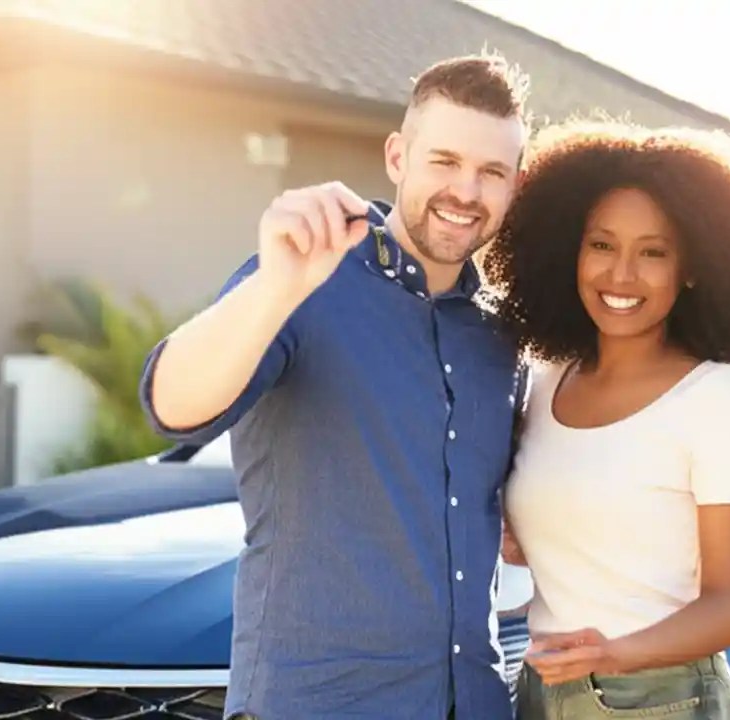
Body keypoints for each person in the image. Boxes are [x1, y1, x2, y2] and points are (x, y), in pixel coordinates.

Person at [138, 53, 531, 720]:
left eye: (492, 171)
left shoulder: (501, 335)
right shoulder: (307, 276)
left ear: (514, 184)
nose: (466, 191)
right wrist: (276, 286)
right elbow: (172, 406)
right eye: (444, 161)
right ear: (398, 157)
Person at [484, 120, 730, 719]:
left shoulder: (718, 399)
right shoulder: (547, 380)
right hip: (542, 692)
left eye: (653, 253)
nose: (621, 275)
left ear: (691, 267)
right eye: (601, 245)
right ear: (570, 250)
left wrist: (615, 655)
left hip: (660, 697)